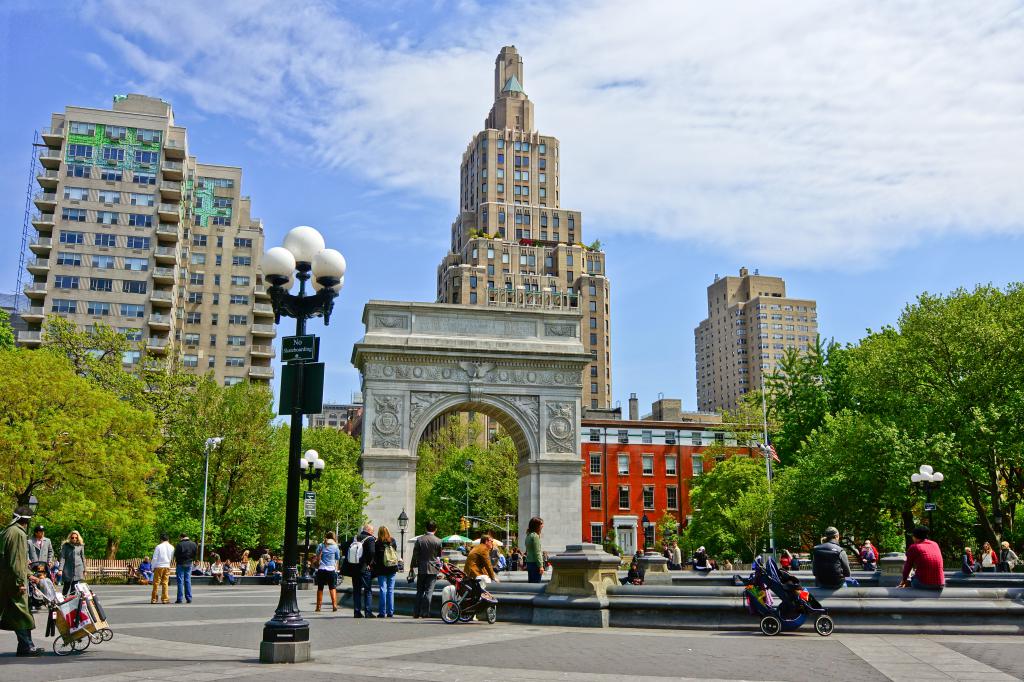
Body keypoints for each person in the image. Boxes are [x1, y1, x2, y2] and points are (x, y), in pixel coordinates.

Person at [1, 505, 45, 657]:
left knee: (17, 613)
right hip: (14, 582)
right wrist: (21, 582)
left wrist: (28, 574)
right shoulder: (18, 533)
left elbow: (13, 561)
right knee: (22, 614)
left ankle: (25, 647)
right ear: (26, 521)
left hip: (6, 580)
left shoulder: (7, 531)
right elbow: (17, 561)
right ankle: (27, 647)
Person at [410, 521, 442, 618]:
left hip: (421, 568)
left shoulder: (419, 540)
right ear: (435, 529)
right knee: (429, 591)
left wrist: (412, 568)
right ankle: (425, 613)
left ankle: (416, 612)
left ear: (425, 528)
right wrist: (440, 569)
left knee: (419, 591)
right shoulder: (438, 541)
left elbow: (415, 556)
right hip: (433, 569)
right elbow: (438, 557)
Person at [899, 525, 944, 590]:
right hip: (940, 583)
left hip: (924, 583)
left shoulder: (914, 547)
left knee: (912, 580)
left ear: (915, 537)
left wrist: (904, 580)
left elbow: (908, 566)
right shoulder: (935, 544)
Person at [345, 524, 376, 618]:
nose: (373, 533)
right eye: (372, 531)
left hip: (354, 568)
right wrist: (369, 563)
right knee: (368, 590)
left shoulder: (354, 537)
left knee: (356, 590)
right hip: (364, 568)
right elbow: (372, 552)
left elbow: (345, 546)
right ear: (369, 530)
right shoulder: (370, 539)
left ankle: (357, 612)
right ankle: (368, 612)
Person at [373, 526, 400, 618]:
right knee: (391, 590)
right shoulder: (393, 541)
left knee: (383, 590)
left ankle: (382, 612)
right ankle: (390, 612)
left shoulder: (377, 543)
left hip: (381, 569)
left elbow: (375, 557)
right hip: (392, 568)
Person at [314, 531, 341, 612]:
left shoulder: (321, 545)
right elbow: (337, 557)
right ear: (334, 537)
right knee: (332, 587)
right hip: (331, 569)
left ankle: (318, 607)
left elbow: (317, 553)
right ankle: (334, 605)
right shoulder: (335, 546)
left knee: (320, 588)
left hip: (322, 569)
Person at [60, 530, 86, 596]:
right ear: (70, 538)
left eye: (76, 537)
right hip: (67, 569)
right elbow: (62, 557)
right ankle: (64, 600)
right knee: (66, 586)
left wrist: (85, 570)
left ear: (78, 538)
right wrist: (60, 569)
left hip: (78, 568)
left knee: (74, 587)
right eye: (72, 537)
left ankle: (72, 603)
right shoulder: (66, 545)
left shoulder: (81, 545)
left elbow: (83, 557)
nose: (74, 539)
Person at [173, 532, 198, 603]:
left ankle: (179, 599)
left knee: (180, 581)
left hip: (180, 564)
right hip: (189, 563)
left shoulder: (179, 544)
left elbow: (176, 555)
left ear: (181, 537)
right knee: (188, 580)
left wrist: (178, 560)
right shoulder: (193, 544)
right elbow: (195, 554)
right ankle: (189, 598)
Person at [151, 533, 174, 604]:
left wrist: (152, 567)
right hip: (167, 566)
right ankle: (165, 599)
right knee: (165, 583)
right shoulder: (172, 547)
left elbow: (154, 558)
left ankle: (154, 599)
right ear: (168, 539)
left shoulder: (158, 546)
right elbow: (171, 558)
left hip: (158, 566)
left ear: (161, 539)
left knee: (156, 583)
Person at [525, 517, 544, 583]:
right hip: (535, 564)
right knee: (536, 584)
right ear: (536, 525)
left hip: (529, 563)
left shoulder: (528, 535)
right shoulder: (535, 536)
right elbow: (537, 552)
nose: (542, 525)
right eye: (541, 524)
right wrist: (541, 566)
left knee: (531, 584)